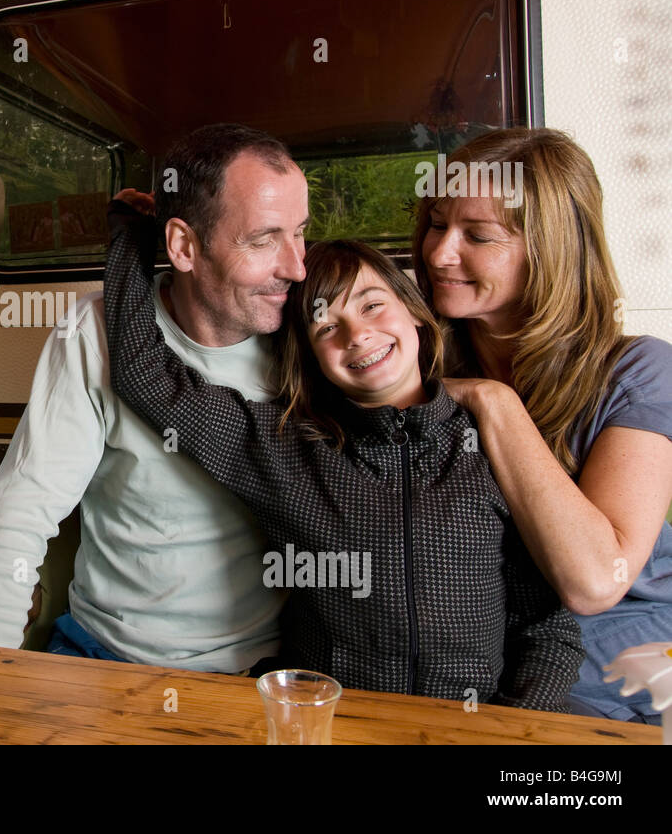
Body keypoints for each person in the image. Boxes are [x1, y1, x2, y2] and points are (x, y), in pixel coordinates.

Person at [101, 196, 584, 711]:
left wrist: (512, 730)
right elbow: (146, 376)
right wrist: (132, 233)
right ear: (312, 359)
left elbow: (550, 631)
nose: (358, 335)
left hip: (469, 726)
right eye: (326, 327)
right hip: (332, 724)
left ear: (416, 316)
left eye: (372, 305)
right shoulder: (286, 449)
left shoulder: (493, 445)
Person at [0, 124, 308, 672]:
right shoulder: (94, 333)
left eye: (300, 233)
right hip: (106, 658)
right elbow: (16, 518)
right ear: (184, 246)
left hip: (265, 668)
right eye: (263, 240)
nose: (296, 267)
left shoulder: (308, 339)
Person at [413, 127, 672, 722]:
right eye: (436, 224)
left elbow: (592, 582)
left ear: (551, 248)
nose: (438, 253)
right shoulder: (419, 360)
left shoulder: (638, 371)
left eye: (477, 235)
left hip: (617, 672)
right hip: (474, 661)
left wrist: (494, 402)